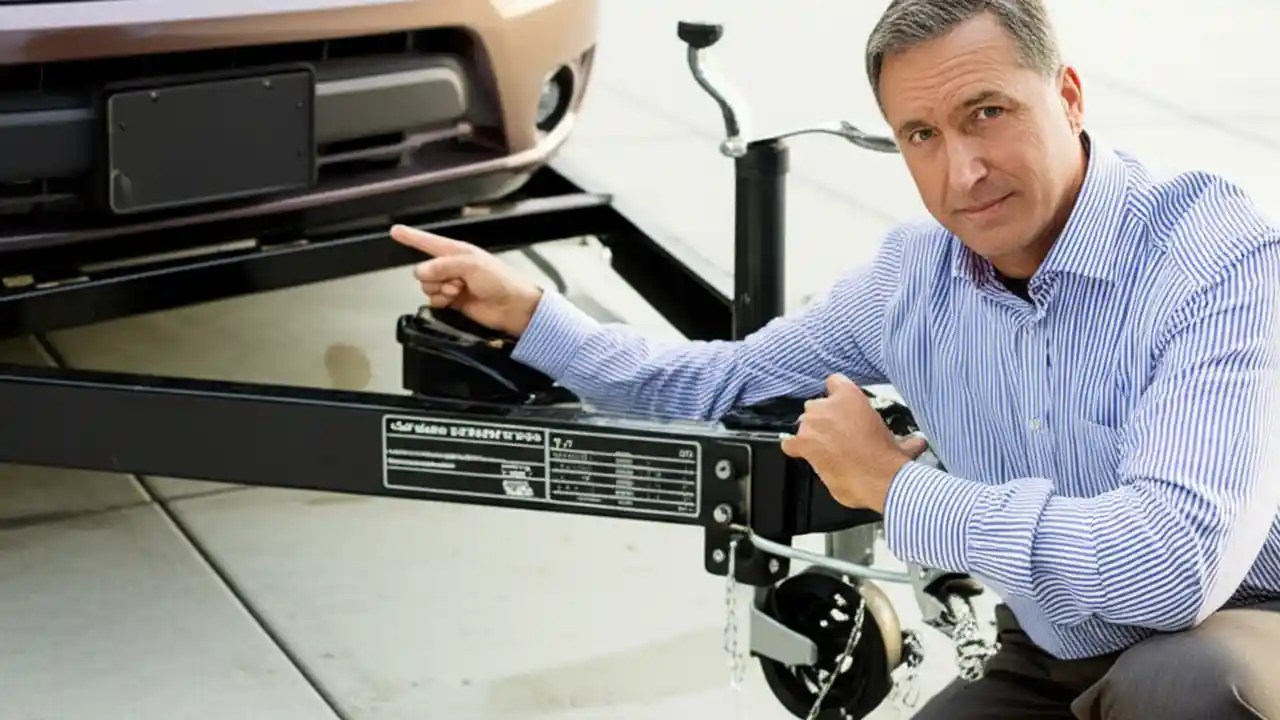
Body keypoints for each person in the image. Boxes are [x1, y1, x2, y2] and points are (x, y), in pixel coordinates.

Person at [390, 0, 1280, 717]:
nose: (962, 170)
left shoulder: (1212, 254)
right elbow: (718, 381)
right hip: (1051, 651)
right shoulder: (910, 280)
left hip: (1243, 627)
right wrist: (533, 316)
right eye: (921, 136)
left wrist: (896, 489)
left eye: (989, 113)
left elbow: (1171, 569)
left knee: (1187, 692)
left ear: (1071, 96)